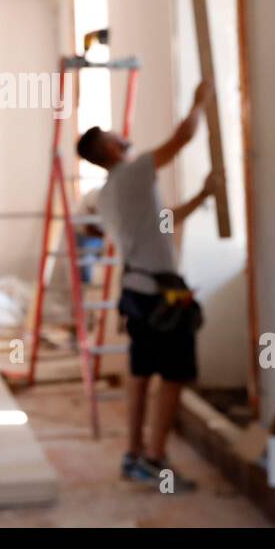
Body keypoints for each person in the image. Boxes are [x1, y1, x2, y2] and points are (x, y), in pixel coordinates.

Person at [76, 81, 218, 490]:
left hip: (136, 295)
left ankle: (134, 455)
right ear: (110, 150)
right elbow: (183, 138)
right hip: (161, 299)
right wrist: (197, 103)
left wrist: (203, 194)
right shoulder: (134, 172)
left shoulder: (107, 195)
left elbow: (165, 220)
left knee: (140, 377)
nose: (122, 136)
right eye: (112, 135)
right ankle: (155, 459)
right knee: (173, 377)